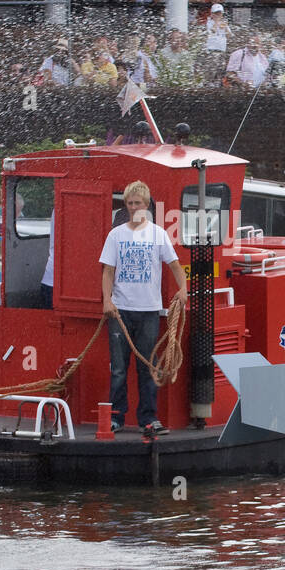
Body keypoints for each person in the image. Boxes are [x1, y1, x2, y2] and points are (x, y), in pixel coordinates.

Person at [100, 180, 187, 436]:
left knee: (148, 367)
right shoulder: (116, 235)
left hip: (149, 309)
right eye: (129, 203)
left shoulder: (158, 234)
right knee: (118, 368)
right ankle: (116, 417)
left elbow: (174, 265)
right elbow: (108, 270)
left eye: (138, 203)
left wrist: (183, 289)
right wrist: (107, 300)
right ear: (125, 206)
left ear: (146, 205)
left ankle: (148, 419)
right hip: (120, 310)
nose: (134, 206)